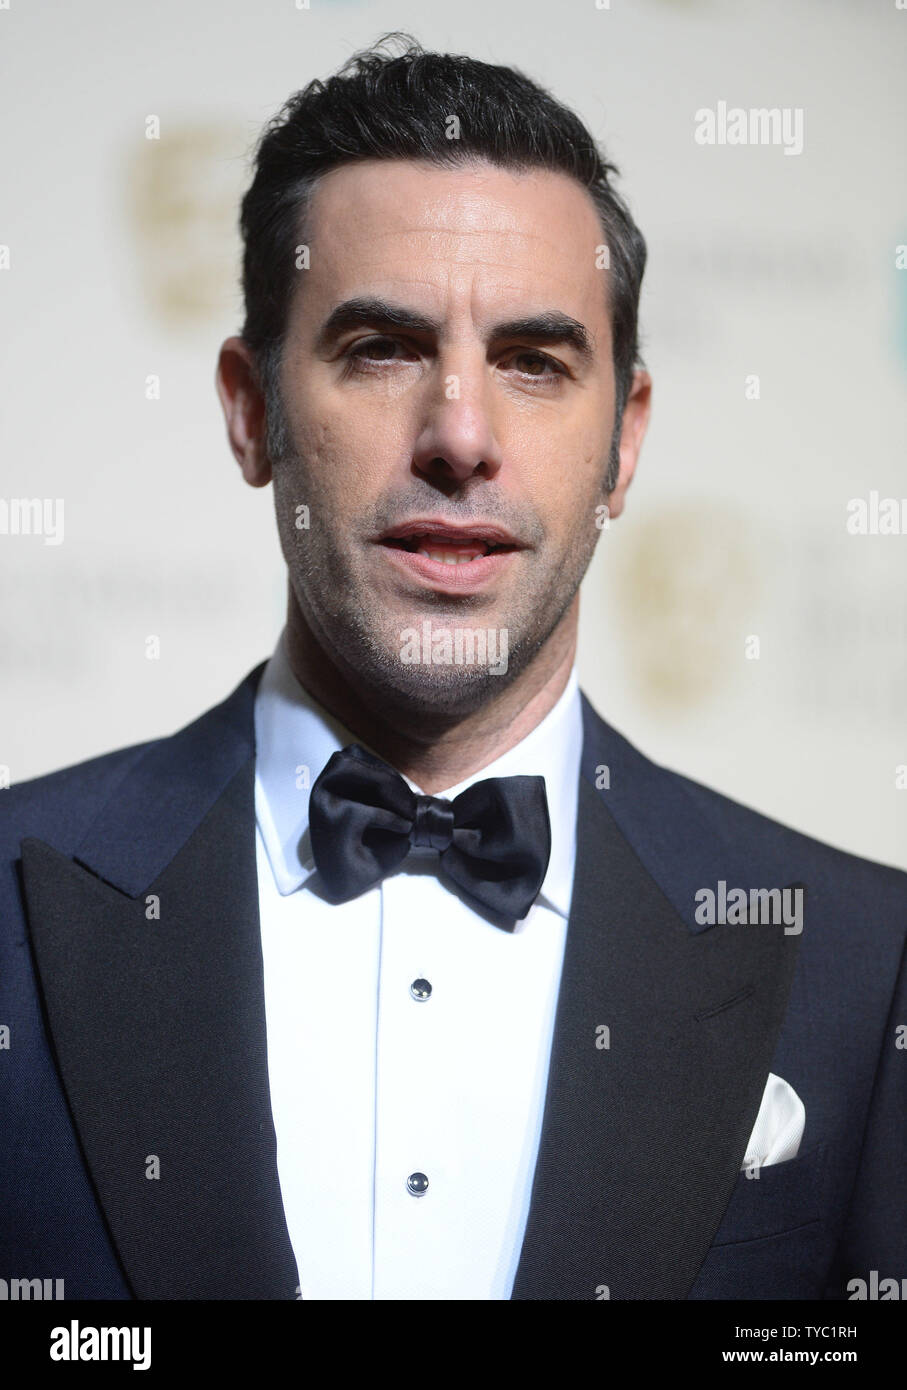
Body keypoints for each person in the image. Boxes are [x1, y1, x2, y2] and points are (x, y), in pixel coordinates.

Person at [2, 34, 904, 1302]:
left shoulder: (864, 966)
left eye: (534, 362)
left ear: (625, 444)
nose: (461, 437)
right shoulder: (14, 912)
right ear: (250, 410)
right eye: (380, 346)